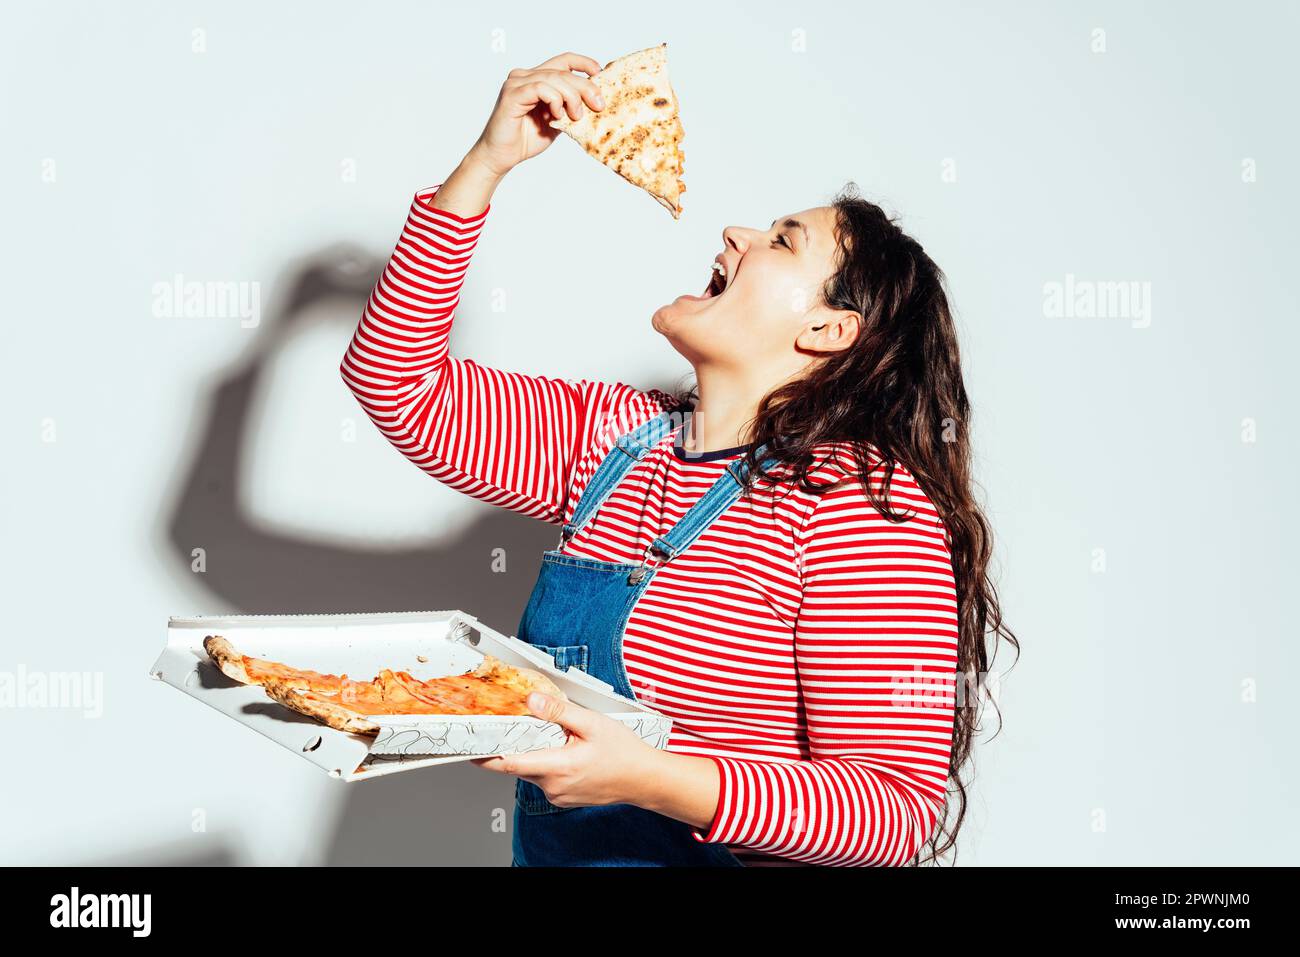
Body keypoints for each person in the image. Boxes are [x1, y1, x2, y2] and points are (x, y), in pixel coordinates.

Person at [340, 52, 1016, 866]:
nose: (735, 233)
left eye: (781, 241)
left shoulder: (857, 507)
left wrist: (654, 777)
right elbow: (395, 381)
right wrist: (487, 163)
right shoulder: (619, 442)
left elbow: (892, 812)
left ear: (829, 331)